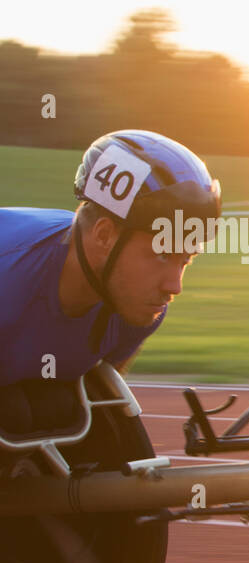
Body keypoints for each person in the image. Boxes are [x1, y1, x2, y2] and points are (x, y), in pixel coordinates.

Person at [0, 130, 220, 434]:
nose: (174, 286)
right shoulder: (8, 283)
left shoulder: (139, 309)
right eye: (162, 254)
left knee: (61, 410)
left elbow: (100, 392)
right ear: (104, 235)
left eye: (186, 260)